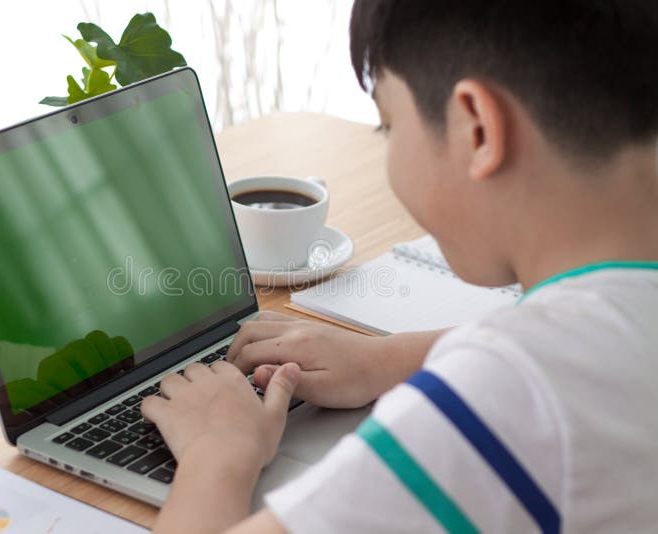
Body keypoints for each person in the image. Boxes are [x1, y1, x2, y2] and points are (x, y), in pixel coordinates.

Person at [141, 1, 658, 532]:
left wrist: (217, 455)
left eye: (386, 125)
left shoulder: (506, 396)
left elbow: (535, 377)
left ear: (476, 128)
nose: (387, 144)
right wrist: (393, 358)